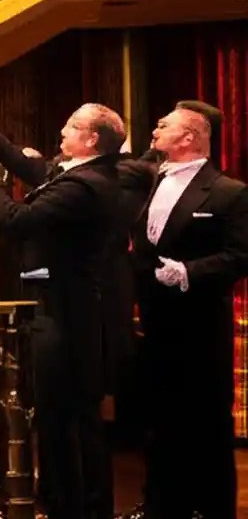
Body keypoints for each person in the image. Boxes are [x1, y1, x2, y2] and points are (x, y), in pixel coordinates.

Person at [0, 86, 123, 519]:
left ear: (92, 139)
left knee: (65, 420)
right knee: (60, 420)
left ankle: (74, 508)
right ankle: (66, 503)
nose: (62, 131)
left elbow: (18, 220)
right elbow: (30, 167)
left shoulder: (87, 185)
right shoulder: (78, 173)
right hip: (60, 310)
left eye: (72, 126)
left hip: (67, 316)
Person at [115, 101, 248, 519]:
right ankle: (161, 506)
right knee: (159, 422)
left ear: (189, 137)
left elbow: (241, 256)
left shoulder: (229, 192)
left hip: (200, 328)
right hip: (153, 325)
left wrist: (190, 271)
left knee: (206, 424)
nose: (155, 128)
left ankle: (212, 510)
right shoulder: (150, 180)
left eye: (164, 124)